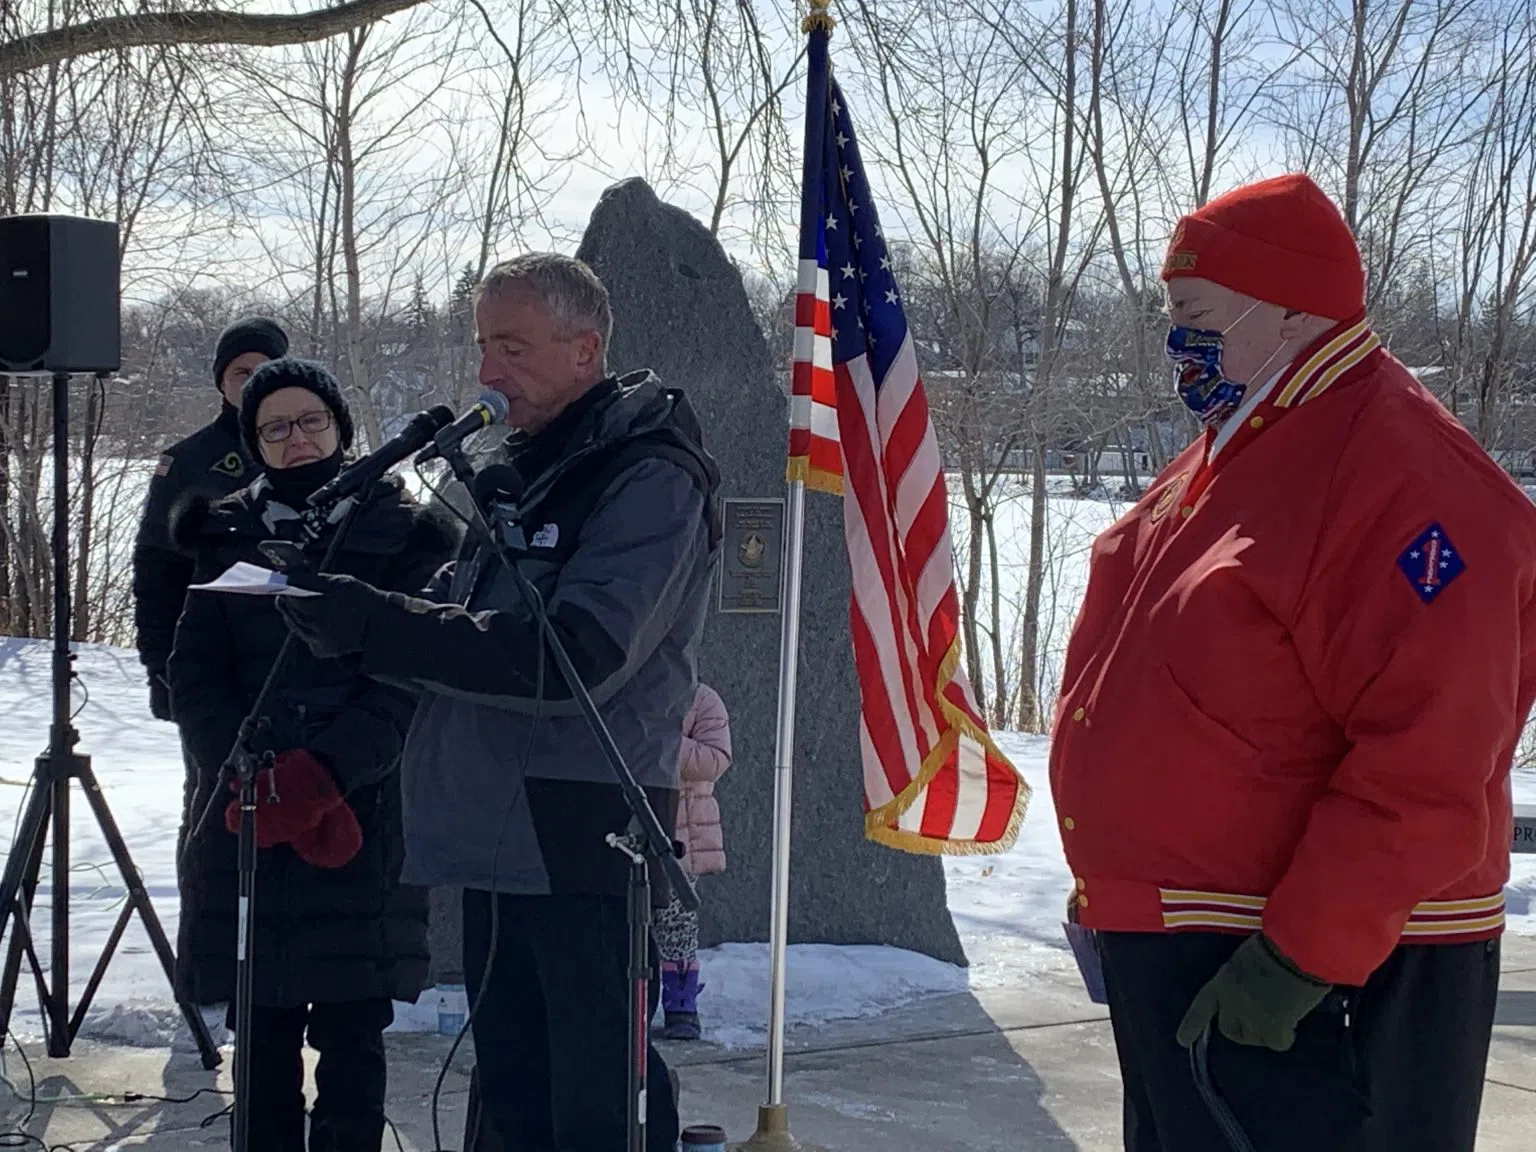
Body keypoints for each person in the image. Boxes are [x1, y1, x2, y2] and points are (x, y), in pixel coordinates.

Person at [1052, 170, 1536, 1152]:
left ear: (1287, 311)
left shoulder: (1400, 470)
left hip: (1306, 968)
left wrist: (1301, 956)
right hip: (1199, 949)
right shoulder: (1241, 449)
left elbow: (1434, 755)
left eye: (1194, 313)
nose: (1174, 342)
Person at [275, 252, 721, 1152]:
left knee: (592, 1103)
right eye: (483, 346)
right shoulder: (522, 467)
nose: (486, 372)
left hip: (579, 829)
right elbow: (465, 625)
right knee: (513, 1096)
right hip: (495, 828)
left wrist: (384, 628)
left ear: (586, 348)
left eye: (511, 348)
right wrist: (355, 610)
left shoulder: (647, 477)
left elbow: (575, 659)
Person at [168, 357, 459, 1152]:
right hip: (247, 813)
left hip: (358, 817)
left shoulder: (406, 533)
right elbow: (194, 672)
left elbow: (409, 679)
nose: (296, 441)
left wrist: (325, 775)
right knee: (259, 1035)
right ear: (252, 441)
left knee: (351, 1039)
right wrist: (246, 770)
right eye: (275, 428)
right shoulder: (227, 532)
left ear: (340, 427)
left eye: (310, 423)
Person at [134, 316, 288, 723]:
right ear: (222, 381)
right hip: (211, 661)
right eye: (241, 372)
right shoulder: (187, 461)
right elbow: (156, 567)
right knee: (214, 785)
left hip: (296, 663)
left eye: (265, 370)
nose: (253, 381)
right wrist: (160, 664)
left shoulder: (312, 448)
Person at [655, 680, 732, 1041]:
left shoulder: (703, 701)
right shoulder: (632, 689)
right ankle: (630, 1005)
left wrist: (662, 740)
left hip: (684, 833)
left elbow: (714, 760)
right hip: (632, 826)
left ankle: (681, 1005)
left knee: (677, 924)